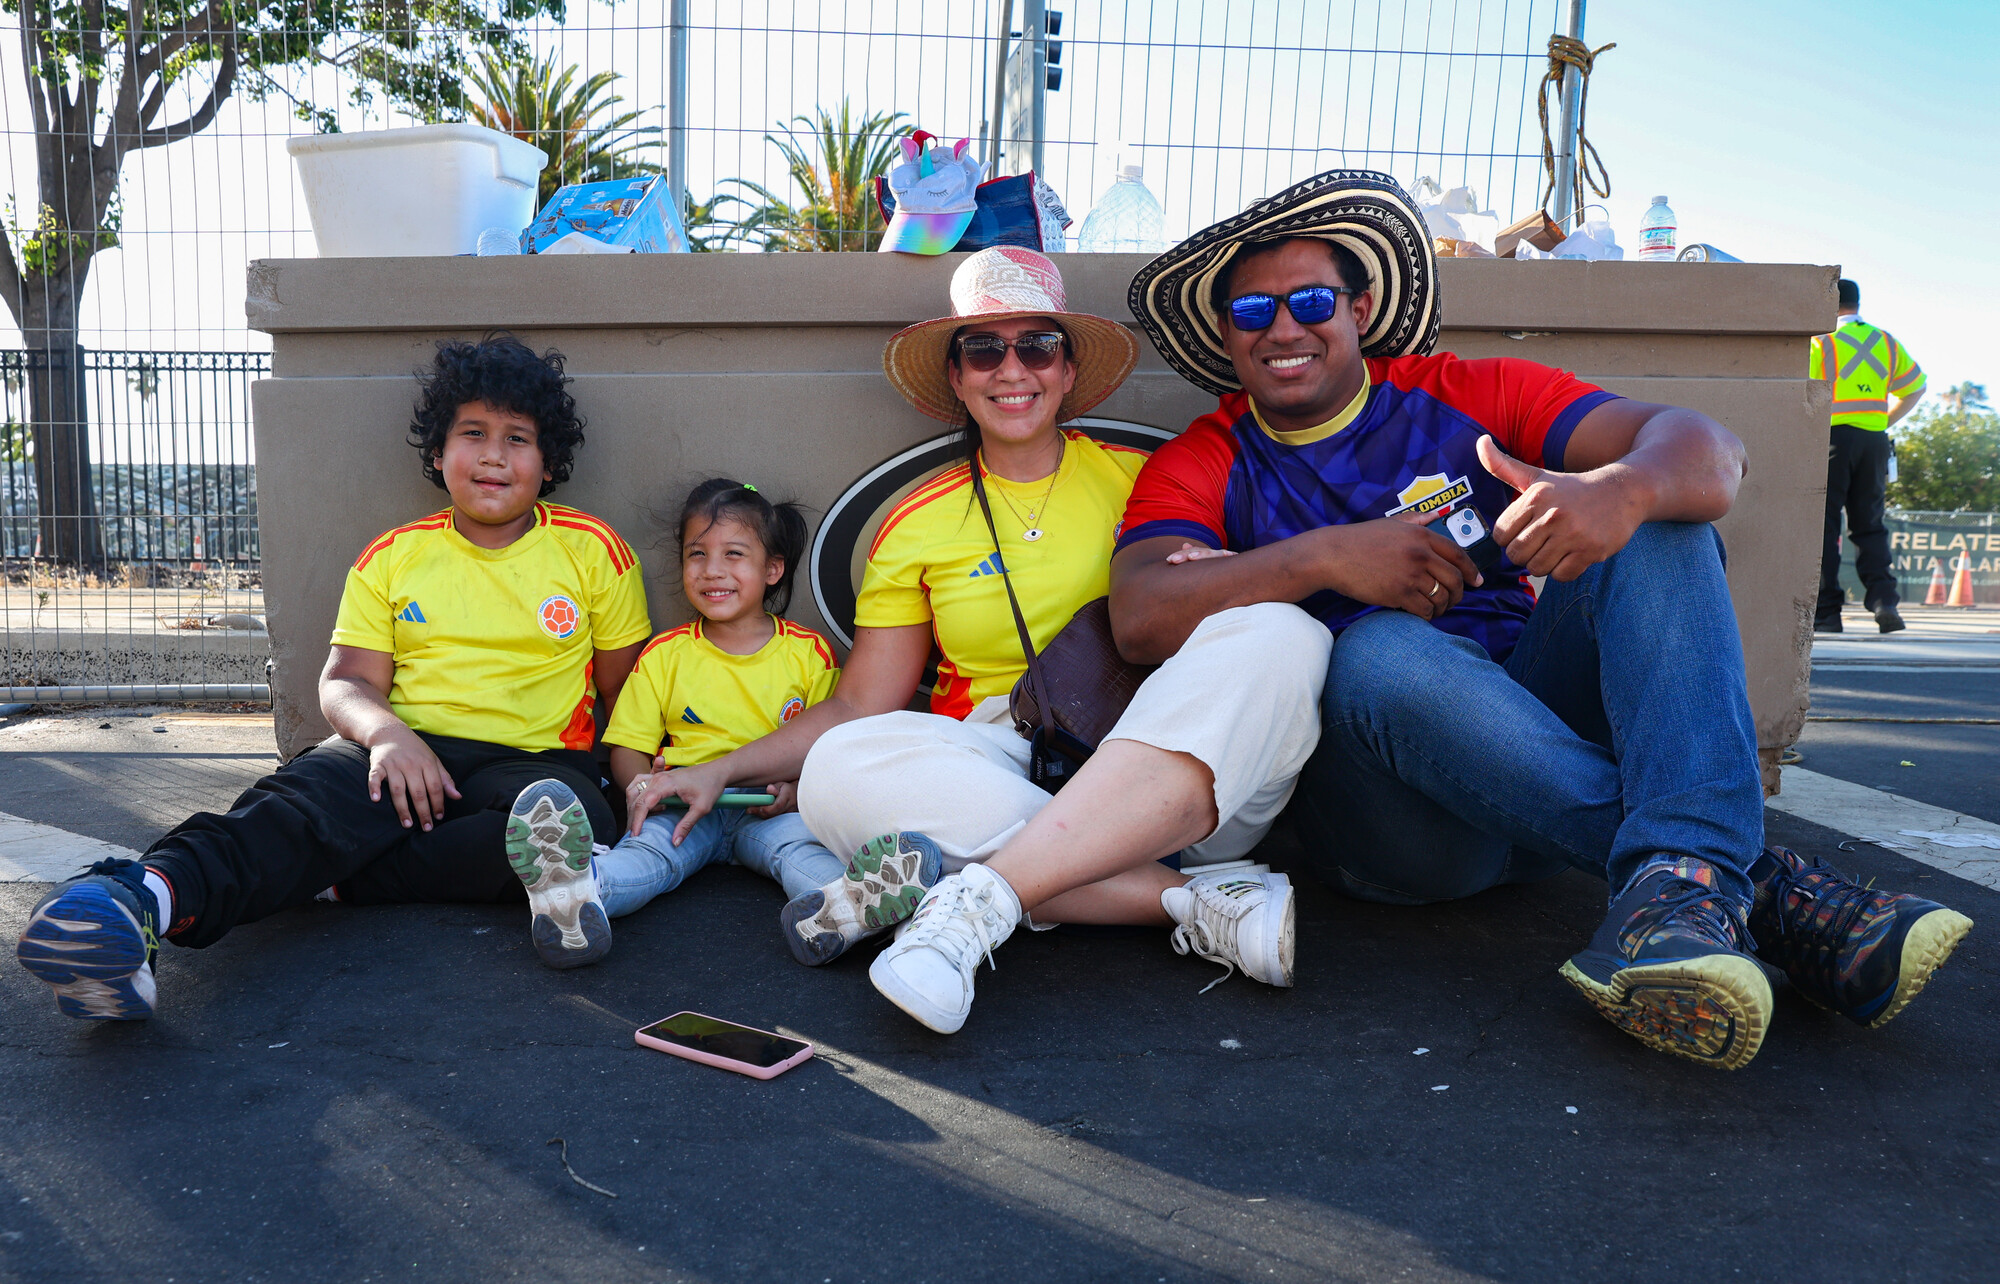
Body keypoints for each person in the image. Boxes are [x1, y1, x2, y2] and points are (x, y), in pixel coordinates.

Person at [863, 171, 1972, 1067]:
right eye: (1251, 312)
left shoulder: (1463, 392)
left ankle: (1679, 895)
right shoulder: (1212, 455)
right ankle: (1751, 887)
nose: (1281, 328)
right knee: (1379, 650)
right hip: (1391, 828)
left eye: (1308, 301)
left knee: (1666, 525)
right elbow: (1144, 613)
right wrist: (1323, 560)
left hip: (1534, 746)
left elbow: (1705, 451)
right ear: (1228, 338)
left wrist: (1616, 493)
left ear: (1357, 310)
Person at [639, 247, 1321, 1018]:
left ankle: (988, 893)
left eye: (1036, 346)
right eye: (984, 350)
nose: (1012, 370)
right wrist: (721, 769)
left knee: (1286, 632)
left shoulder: (1149, 478)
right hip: (1008, 762)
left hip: (1177, 764)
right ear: (957, 379)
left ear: (1067, 371)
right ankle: (1195, 904)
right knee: (836, 769)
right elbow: (863, 702)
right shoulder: (916, 521)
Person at [15, 334, 653, 1016]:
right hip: (403, 750)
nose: (494, 453)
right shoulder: (392, 558)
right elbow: (345, 681)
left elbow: (627, 695)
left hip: (534, 766)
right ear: (439, 453)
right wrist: (385, 736)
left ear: (548, 461)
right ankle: (134, 901)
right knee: (292, 809)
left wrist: (644, 780)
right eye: (473, 432)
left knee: (573, 823)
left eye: (517, 438)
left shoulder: (592, 550)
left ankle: (330, 875)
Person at [513, 477, 939, 969]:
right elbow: (627, 747)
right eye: (697, 554)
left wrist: (797, 790)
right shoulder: (666, 654)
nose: (712, 570)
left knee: (800, 852)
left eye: (734, 554)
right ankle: (579, 896)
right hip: (681, 808)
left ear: (772, 569)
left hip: (769, 812)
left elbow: (830, 749)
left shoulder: (808, 653)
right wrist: (643, 786)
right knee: (651, 856)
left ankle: (839, 909)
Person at [1812, 278, 1927, 634]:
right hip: (1874, 442)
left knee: (1825, 527)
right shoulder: (1885, 342)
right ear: (1857, 304)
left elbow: (1803, 394)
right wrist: (1883, 423)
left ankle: (1828, 614)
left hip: (1832, 441)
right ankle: (1883, 602)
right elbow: (1916, 387)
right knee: (1870, 525)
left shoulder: (1822, 342)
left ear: (1831, 303)